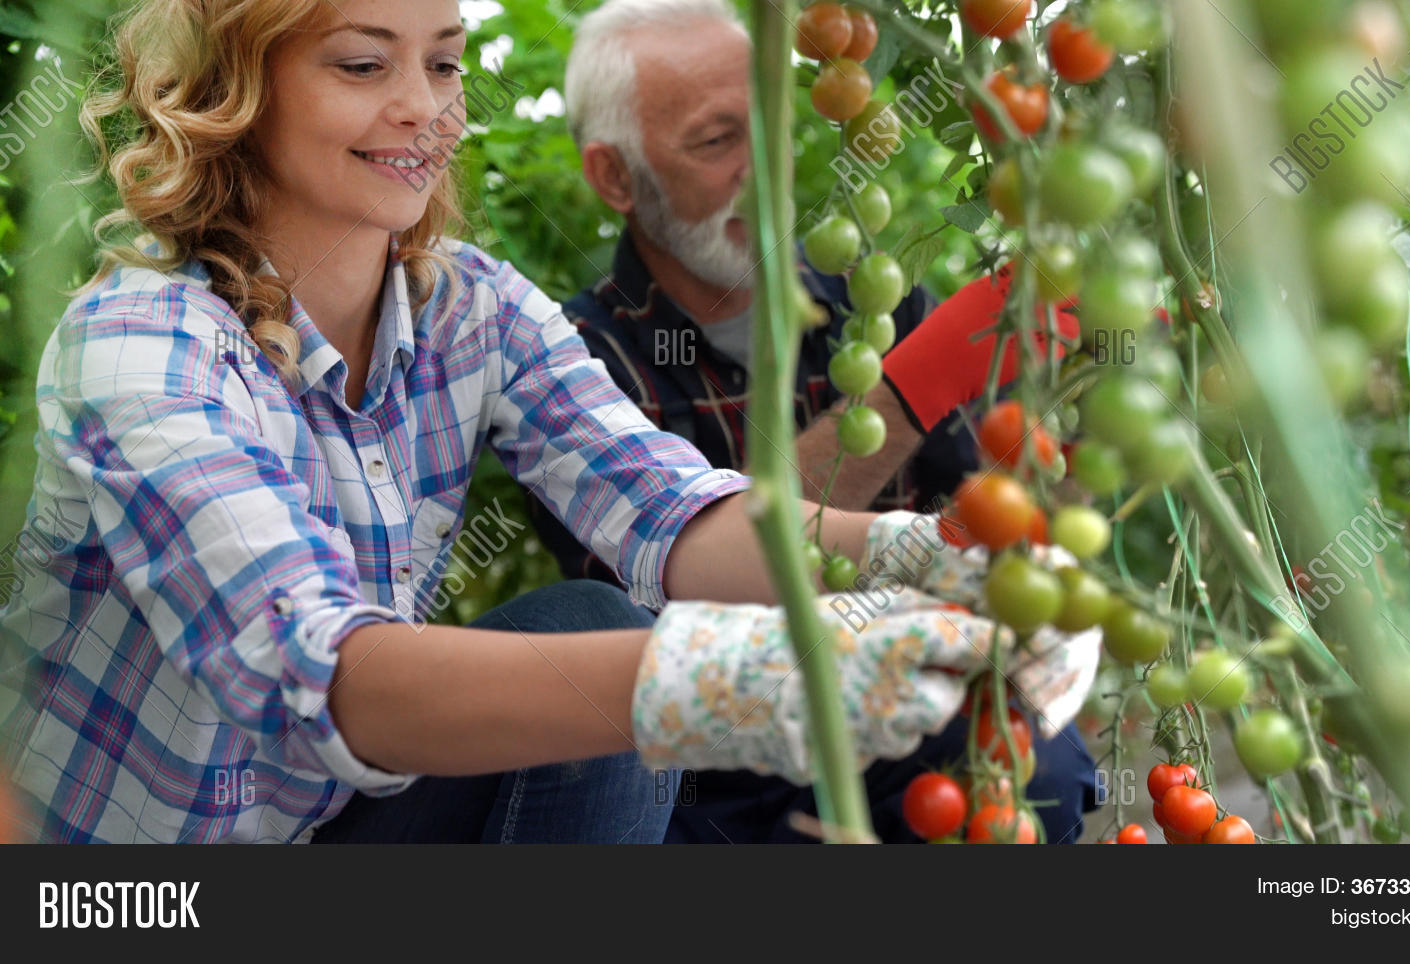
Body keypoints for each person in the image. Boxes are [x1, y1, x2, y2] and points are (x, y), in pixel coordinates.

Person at [0, 0, 1040, 845]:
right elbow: (323, 671)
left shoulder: (472, 309)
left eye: (444, 65)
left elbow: (672, 513)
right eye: (363, 66)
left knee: (589, 632)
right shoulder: (143, 344)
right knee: (619, 667)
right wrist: (750, 675)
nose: (423, 108)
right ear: (238, 92)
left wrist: (930, 558)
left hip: (323, 826)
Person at [532, 0, 1103, 843]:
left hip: (897, 711)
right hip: (705, 771)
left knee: (1041, 781)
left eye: (769, 127)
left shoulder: (875, 299)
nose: (763, 171)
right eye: (717, 140)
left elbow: (993, 514)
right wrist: (910, 386)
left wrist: (1090, 404)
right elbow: (686, 560)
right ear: (614, 176)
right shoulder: (574, 360)